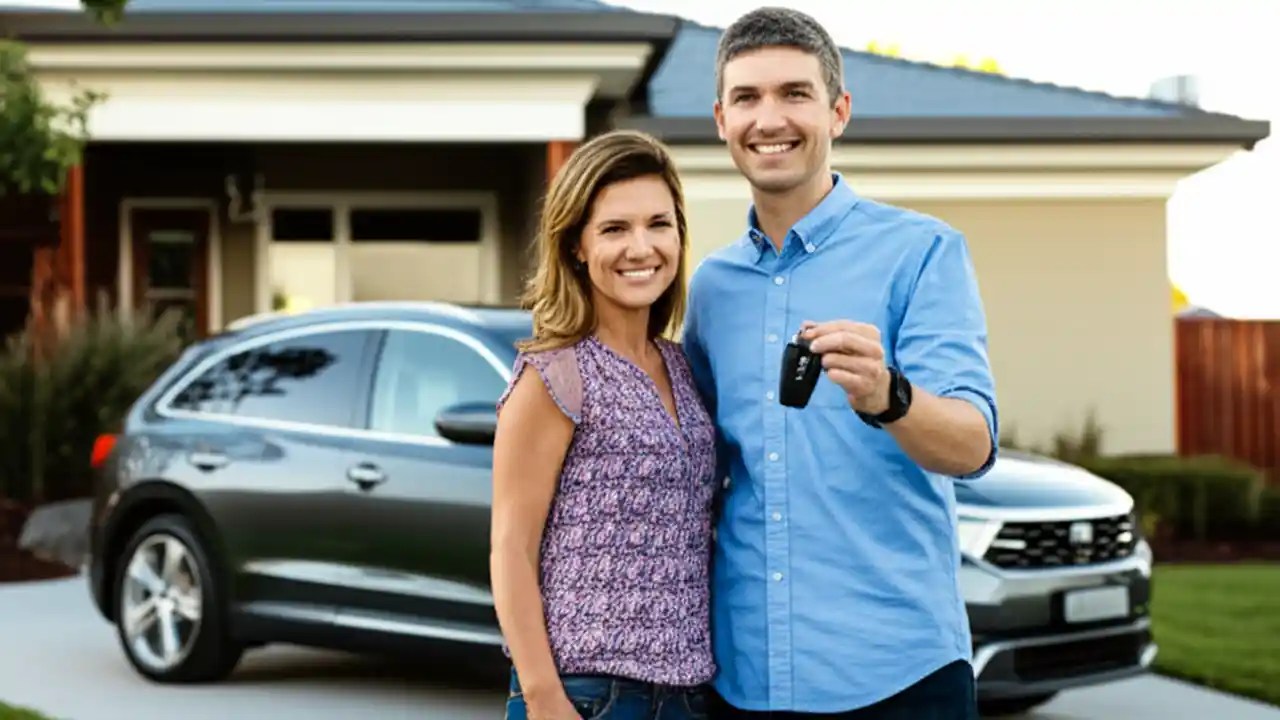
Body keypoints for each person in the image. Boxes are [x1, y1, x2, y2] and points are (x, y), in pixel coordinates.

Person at [681, 7, 1000, 719]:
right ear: (721, 120)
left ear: (839, 111)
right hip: (745, 676)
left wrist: (889, 395)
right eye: (748, 97)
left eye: (795, 93)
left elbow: (972, 444)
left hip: (899, 673)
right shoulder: (711, 287)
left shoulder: (922, 253)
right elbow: (702, 467)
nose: (771, 118)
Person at [491, 129, 718, 720]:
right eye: (615, 229)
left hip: (689, 694)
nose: (641, 247)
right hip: (587, 694)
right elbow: (511, 548)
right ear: (576, 247)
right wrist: (543, 697)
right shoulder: (552, 375)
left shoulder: (682, 366)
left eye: (658, 224)